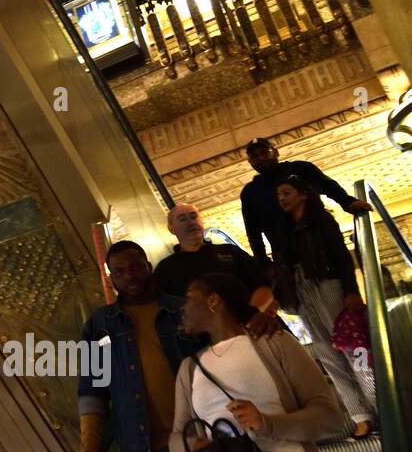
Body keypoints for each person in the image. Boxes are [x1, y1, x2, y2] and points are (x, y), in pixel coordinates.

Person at [170, 273, 350, 452]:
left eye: (188, 298)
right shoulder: (189, 369)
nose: (182, 307)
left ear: (213, 300)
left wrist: (268, 424)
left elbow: (329, 416)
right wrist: (194, 447)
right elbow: (178, 436)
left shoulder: (274, 342)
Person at [74, 241, 209, 452]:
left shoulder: (181, 310)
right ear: (112, 279)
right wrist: (89, 448)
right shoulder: (100, 326)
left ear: (148, 266)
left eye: (135, 266)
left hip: (200, 439)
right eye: (120, 272)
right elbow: (92, 390)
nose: (130, 276)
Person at [274, 174, 379, 436]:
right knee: (327, 354)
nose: (282, 199)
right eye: (279, 195)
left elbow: (341, 256)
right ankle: (360, 415)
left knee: (353, 349)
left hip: (328, 284)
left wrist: (351, 290)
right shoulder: (285, 231)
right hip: (302, 292)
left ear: (304, 194)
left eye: (287, 192)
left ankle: (380, 405)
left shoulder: (322, 221)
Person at [240, 137, 371, 269]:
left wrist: (348, 202)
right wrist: (264, 263)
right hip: (286, 257)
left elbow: (328, 186)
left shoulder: (300, 169)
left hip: (321, 246)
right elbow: (253, 231)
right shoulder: (250, 192)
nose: (261, 158)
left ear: (275, 152)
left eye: (264, 152)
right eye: (255, 156)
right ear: (250, 162)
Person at [154, 202, 280, 336]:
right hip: (207, 344)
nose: (191, 222)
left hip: (258, 330)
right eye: (182, 219)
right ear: (171, 229)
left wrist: (252, 316)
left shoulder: (230, 252)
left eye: (193, 216)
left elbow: (262, 286)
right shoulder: (165, 269)